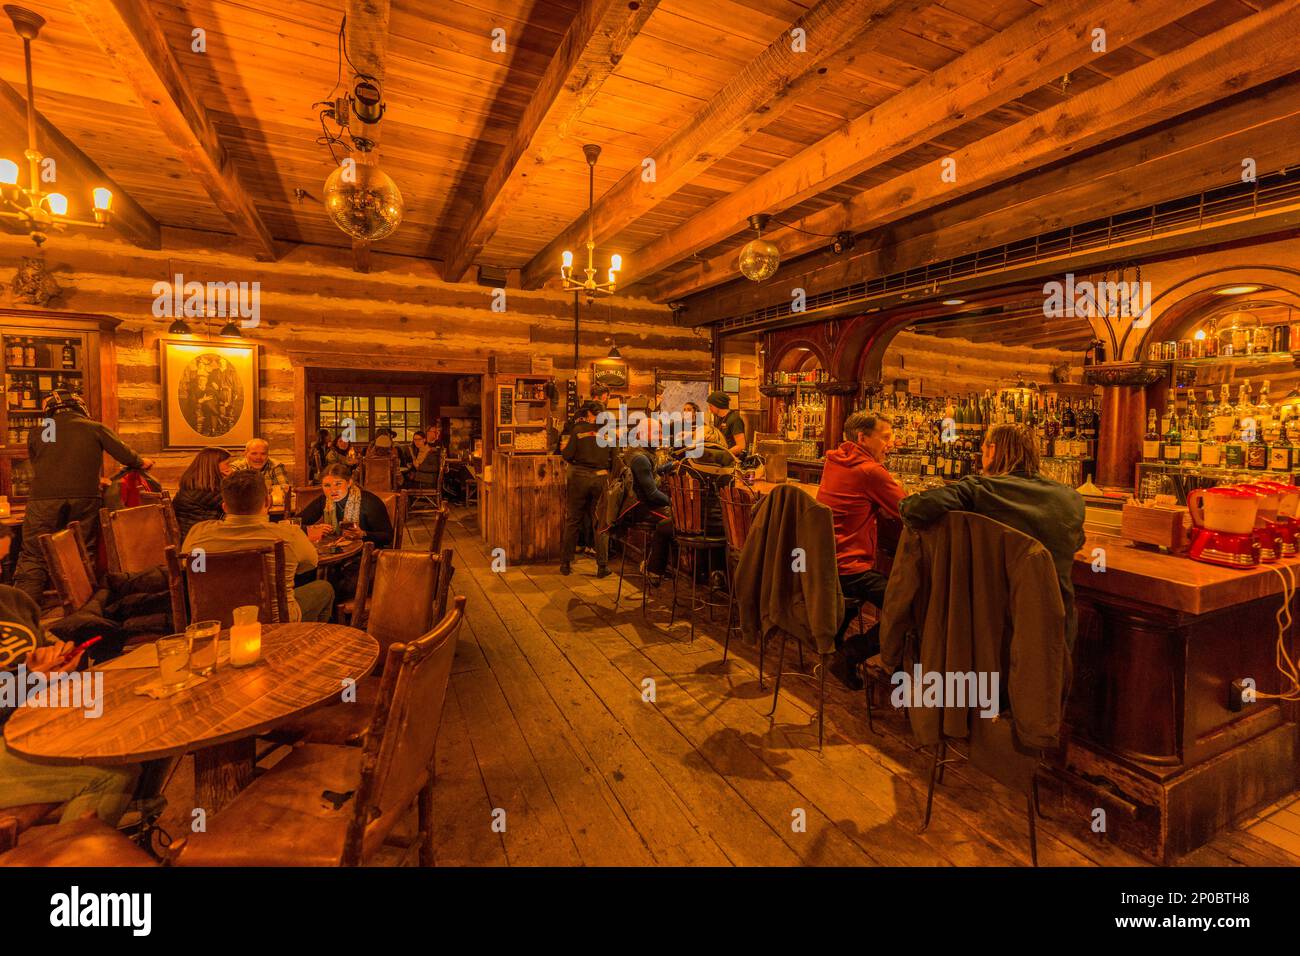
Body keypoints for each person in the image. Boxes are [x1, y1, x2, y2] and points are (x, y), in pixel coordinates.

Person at [0, 522, 141, 825]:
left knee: (139, 729)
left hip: (38, 721)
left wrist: (59, 661)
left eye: (0, 562)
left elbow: (41, 651)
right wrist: (31, 680)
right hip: (10, 735)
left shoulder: (14, 601)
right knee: (110, 774)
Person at [900, 422, 1086, 647]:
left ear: (992, 451)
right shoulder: (1071, 499)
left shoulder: (979, 490)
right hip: (1053, 626)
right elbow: (1077, 542)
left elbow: (912, 508)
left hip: (989, 626)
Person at [14, 389, 153, 605]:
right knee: (81, 552)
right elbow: (127, 457)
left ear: (49, 410)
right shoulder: (92, 428)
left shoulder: (43, 429)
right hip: (84, 497)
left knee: (34, 555)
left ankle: (24, 611)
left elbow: (41, 462)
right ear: (80, 407)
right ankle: (83, 607)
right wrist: (141, 462)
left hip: (44, 499)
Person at [816, 410, 905, 689]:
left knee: (877, 595)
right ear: (862, 437)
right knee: (908, 607)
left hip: (825, 564)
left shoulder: (834, 459)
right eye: (886, 437)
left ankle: (834, 644)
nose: (892, 443)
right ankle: (849, 655)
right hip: (849, 568)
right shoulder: (871, 471)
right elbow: (908, 510)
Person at [183, 470, 335, 623]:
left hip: (216, 623)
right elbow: (310, 564)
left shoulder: (199, 534)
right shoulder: (288, 535)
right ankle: (304, 640)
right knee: (324, 589)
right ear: (268, 502)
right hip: (274, 622)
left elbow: (194, 570)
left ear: (224, 507)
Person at [560, 400, 614, 577]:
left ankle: (566, 564)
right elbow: (615, 460)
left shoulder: (578, 430)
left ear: (590, 414)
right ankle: (602, 566)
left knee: (573, 520)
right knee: (600, 523)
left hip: (579, 478)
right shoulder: (610, 433)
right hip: (600, 478)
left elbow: (567, 454)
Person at [298, 464, 394, 549]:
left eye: (338, 484)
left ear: (349, 483)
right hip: (335, 550)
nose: (333, 490)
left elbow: (388, 537)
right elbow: (294, 523)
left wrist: (363, 534)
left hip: (364, 554)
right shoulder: (324, 500)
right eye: (327, 485)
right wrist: (313, 530)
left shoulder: (369, 502)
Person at [173, 446, 233, 542]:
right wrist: (232, 479)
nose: (230, 468)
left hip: (197, 534)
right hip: (198, 541)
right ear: (214, 465)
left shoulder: (197, 483)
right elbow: (238, 504)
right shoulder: (203, 490)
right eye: (227, 464)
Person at [707, 391, 746, 458]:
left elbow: (741, 446)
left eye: (711, 406)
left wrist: (723, 454)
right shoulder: (719, 419)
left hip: (732, 459)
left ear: (718, 405)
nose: (709, 409)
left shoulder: (734, 419)